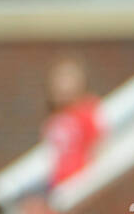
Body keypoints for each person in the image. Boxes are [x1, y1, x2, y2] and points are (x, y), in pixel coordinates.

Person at [43, 59, 104, 188]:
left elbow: (97, 144)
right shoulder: (54, 118)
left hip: (80, 181)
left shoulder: (86, 111)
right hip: (59, 183)